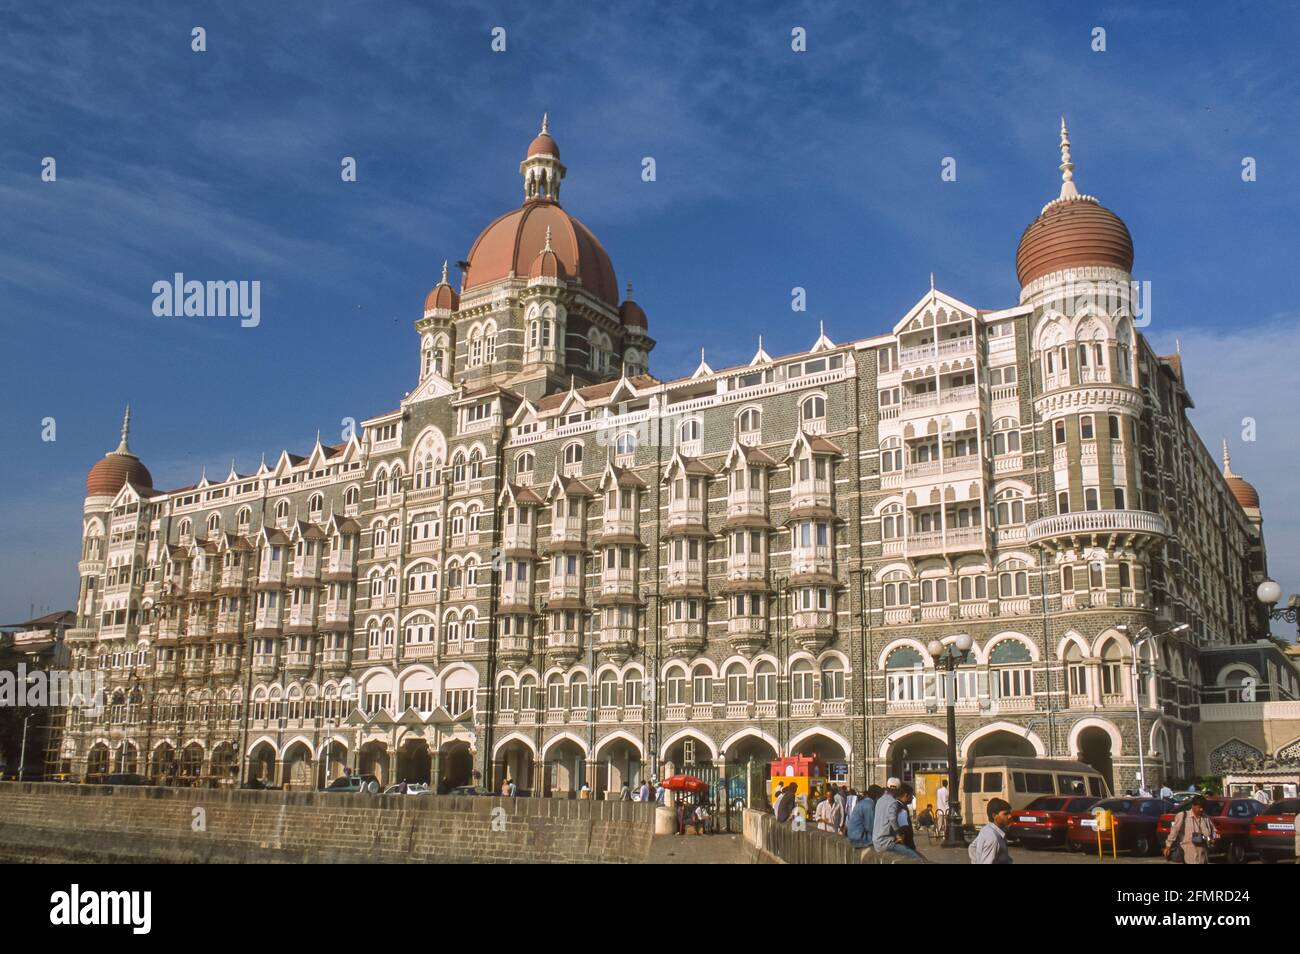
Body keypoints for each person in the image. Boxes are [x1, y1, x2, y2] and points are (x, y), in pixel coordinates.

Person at [873, 779, 924, 861]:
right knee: (918, 858)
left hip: (877, 841)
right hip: (886, 842)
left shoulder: (880, 800)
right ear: (897, 790)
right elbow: (892, 819)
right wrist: (898, 833)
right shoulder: (893, 802)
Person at [1165, 794, 1217, 864]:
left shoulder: (1206, 817)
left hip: (1203, 856)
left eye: (1203, 807)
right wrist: (1168, 846)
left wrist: (1213, 838)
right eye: (1199, 807)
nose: (1201, 809)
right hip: (1188, 854)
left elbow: (1214, 830)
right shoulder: (1183, 816)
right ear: (1193, 806)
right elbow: (1174, 831)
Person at [970, 797, 1014, 864]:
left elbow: (972, 847)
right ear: (994, 816)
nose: (1010, 816)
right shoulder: (993, 838)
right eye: (1006, 814)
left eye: (1010, 813)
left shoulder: (986, 829)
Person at [847, 785, 880, 849]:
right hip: (859, 839)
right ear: (877, 796)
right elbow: (870, 827)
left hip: (852, 836)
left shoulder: (863, 802)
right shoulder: (870, 805)